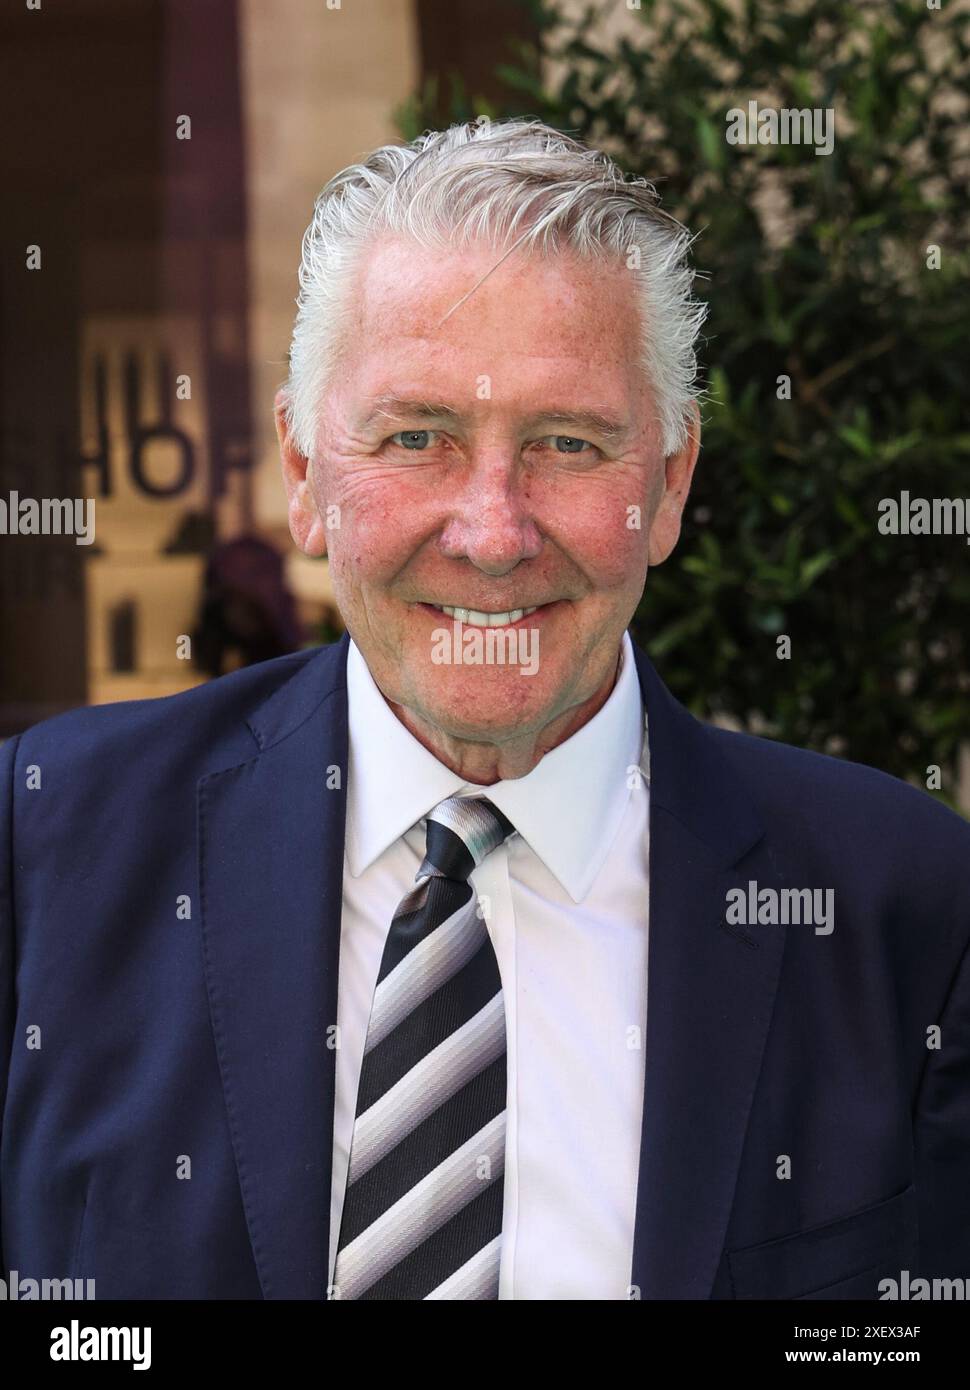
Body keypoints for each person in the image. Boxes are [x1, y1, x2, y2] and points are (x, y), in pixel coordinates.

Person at [1, 119, 967, 1301]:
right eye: (418, 437)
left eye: (568, 443)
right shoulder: (44, 849)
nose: (493, 533)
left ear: (667, 488)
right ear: (305, 477)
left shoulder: (908, 908)